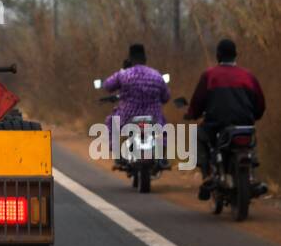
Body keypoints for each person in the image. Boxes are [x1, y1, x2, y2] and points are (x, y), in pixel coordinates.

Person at [185, 38, 266, 198]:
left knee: (197, 135)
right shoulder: (248, 76)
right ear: (236, 55)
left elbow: (197, 102)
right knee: (251, 142)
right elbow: (260, 105)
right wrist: (253, 116)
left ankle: (207, 175)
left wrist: (192, 114)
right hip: (244, 126)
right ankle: (251, 175)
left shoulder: (209, 76)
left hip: (217, 125)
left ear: (218, 56)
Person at [102, 43, 170, 161]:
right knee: (164, 128)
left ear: (130, 58)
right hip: (153, 117)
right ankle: (162, 156)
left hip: (127, 116)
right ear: (145, 59)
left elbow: (108, 86)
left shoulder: (124, 74)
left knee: (110, 122)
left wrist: (123, 69)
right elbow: (166, 97)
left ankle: (116, 151)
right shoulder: (157, 75)